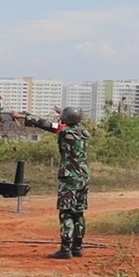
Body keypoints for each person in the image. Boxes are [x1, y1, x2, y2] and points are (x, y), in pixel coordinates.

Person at [24, 107, 90, 258]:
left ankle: (65, 250)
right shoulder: (84, 132)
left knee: (66, 213)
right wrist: (66, 115)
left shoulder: (66, 132)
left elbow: (48, 125)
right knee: (78, 213)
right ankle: (77, 247)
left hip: (70, 177)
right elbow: (74, 121)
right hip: (83, 177)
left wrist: (26, 116)